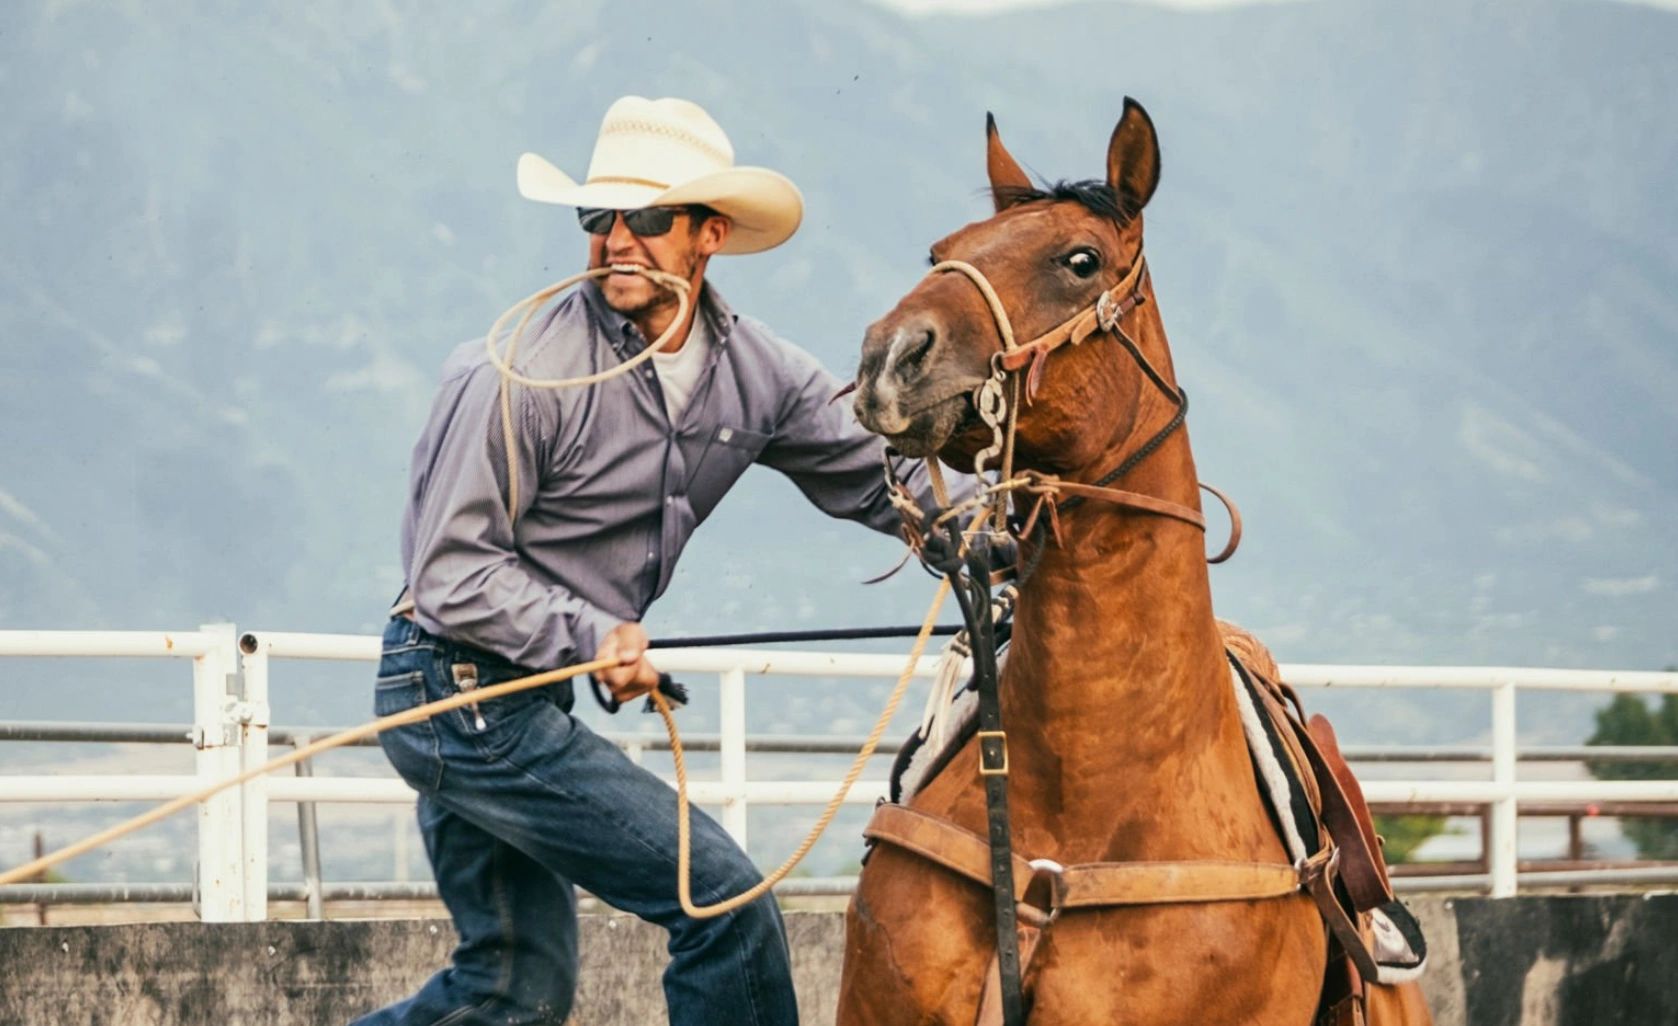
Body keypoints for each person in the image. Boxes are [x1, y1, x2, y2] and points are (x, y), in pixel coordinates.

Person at [355, 95, 950, 1026]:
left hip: (515, 697)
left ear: (709, 234)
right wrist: (593, 633)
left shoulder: (762, 373)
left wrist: (996, 528)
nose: (616, 240)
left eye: (645, 218)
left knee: (511, 991)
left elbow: (887, 480)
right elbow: (451, 574)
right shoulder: (512, 369)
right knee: (723, 907)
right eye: (599, 218)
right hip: (453, 693)